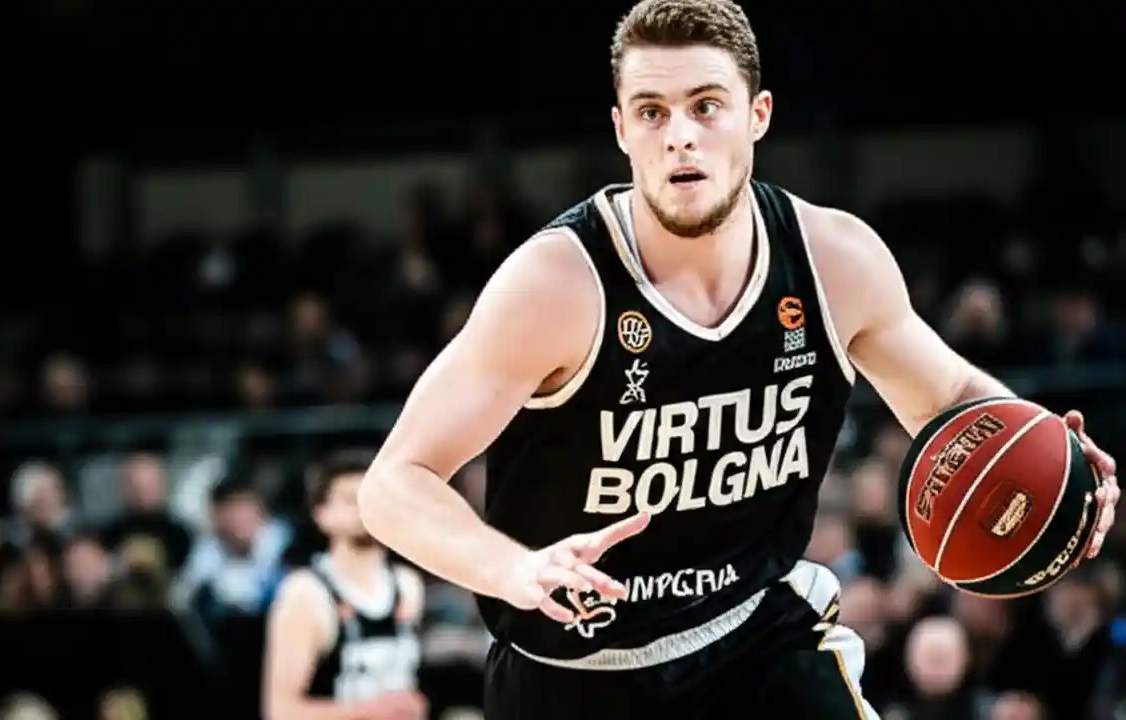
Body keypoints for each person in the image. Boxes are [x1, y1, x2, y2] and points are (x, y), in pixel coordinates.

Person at [356, 0, 1120, 717]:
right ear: (622, 130)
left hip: (759, 637)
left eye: (706, 105)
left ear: (758, 116)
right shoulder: (557, 285)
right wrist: (511, 570)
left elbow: (950, 394)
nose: (679, 135)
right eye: (652, 113)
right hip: (575, 673)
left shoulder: (833, 258)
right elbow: (393, 484)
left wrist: (1058, 456)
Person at [263, 449, 427, 720]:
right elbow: (280, 711)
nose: (366, 508)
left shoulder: (407, 585)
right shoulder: (306, 593)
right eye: (352, 500)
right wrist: (366, 713)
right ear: (321, 513)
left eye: (375, 498)